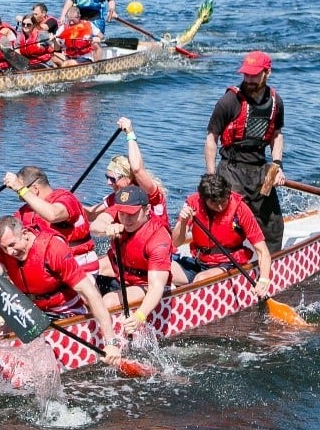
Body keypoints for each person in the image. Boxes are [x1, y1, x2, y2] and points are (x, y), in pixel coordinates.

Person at [0, 214, 124, 362]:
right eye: (4, 248)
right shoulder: (6, 250)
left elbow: (91, 293)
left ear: (25, 234)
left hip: (65, 311)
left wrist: (110, 343)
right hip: (32, 311)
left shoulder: (53, 249)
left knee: (29, 340)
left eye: (12, 245)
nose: (10, 252)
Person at [205, 50, 286, 251]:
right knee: (227, 224)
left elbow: (276, 135)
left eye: (254, 75)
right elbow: (211, 138)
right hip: (231, 170)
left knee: (273, 226)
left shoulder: (276, 102)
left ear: (267, 73)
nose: (249, 79)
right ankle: (221, 262)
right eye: (246, 74)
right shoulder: (229, 102)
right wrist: (211, 176)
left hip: (261, 169)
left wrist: (276, 167)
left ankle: (271, 262)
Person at [173, 173, 274, 296]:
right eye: (214, 203)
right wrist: (183, 222)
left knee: (200, 279)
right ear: (204, 199)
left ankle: (189, 294)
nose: (220, 207)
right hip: (199, 261)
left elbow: (263, 251)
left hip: (227, 263)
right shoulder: (193, 204)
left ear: (228, 193)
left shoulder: (241, 209)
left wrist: (263, 280)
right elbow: (175, 243)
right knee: (164, 269)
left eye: (223, 201)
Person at [100, 185, 187, 324]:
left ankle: (106, 328)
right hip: (125, 278)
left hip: (146, 283)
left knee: (108, 301)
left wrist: (139, 317)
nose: (126, 219)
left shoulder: (158, 237)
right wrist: (106, 228)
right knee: (87, 278)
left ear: (147, 210)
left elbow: (156, 287)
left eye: (132, 214)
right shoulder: (119, 217)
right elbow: (95, 225)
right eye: (122, 214)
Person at [2, 165, 98, 277]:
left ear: (35, 189)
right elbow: (8, 230)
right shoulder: (26, 210)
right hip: (50, 268)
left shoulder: (66, 199)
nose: (21, 198)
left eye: (20, 194)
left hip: (80, 267)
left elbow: (53, 215)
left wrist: (21, 189)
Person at [88, 117, 170, 236]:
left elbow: (137, 169)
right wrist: (65, 202)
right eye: (107, 177)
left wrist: (130, 133)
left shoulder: (150, 194)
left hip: (157, 243)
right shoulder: (118, 198)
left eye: (113, 179)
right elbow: (91, 213)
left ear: (129, 178)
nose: (108, 183)